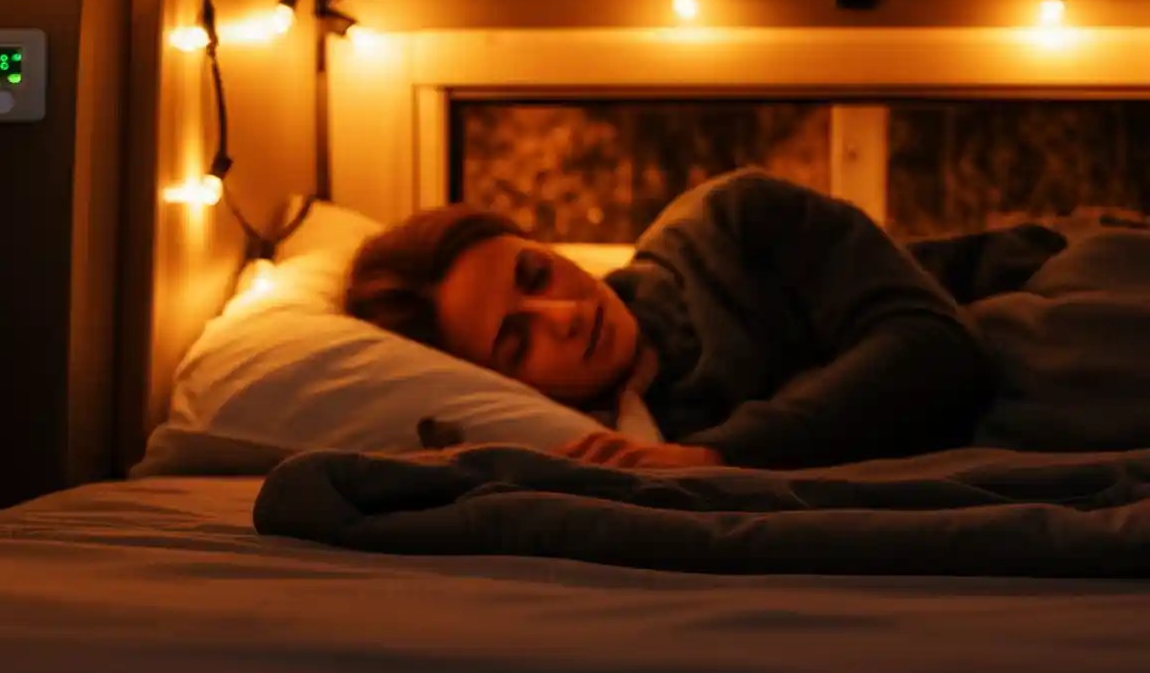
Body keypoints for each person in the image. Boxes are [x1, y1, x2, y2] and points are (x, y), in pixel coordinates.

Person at [345, 169, 995, 469]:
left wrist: (720, 453)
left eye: (536, 274)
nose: (563, 315)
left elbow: (934, 347)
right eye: (517, 342)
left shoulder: (733, 223)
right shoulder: (608, 434)